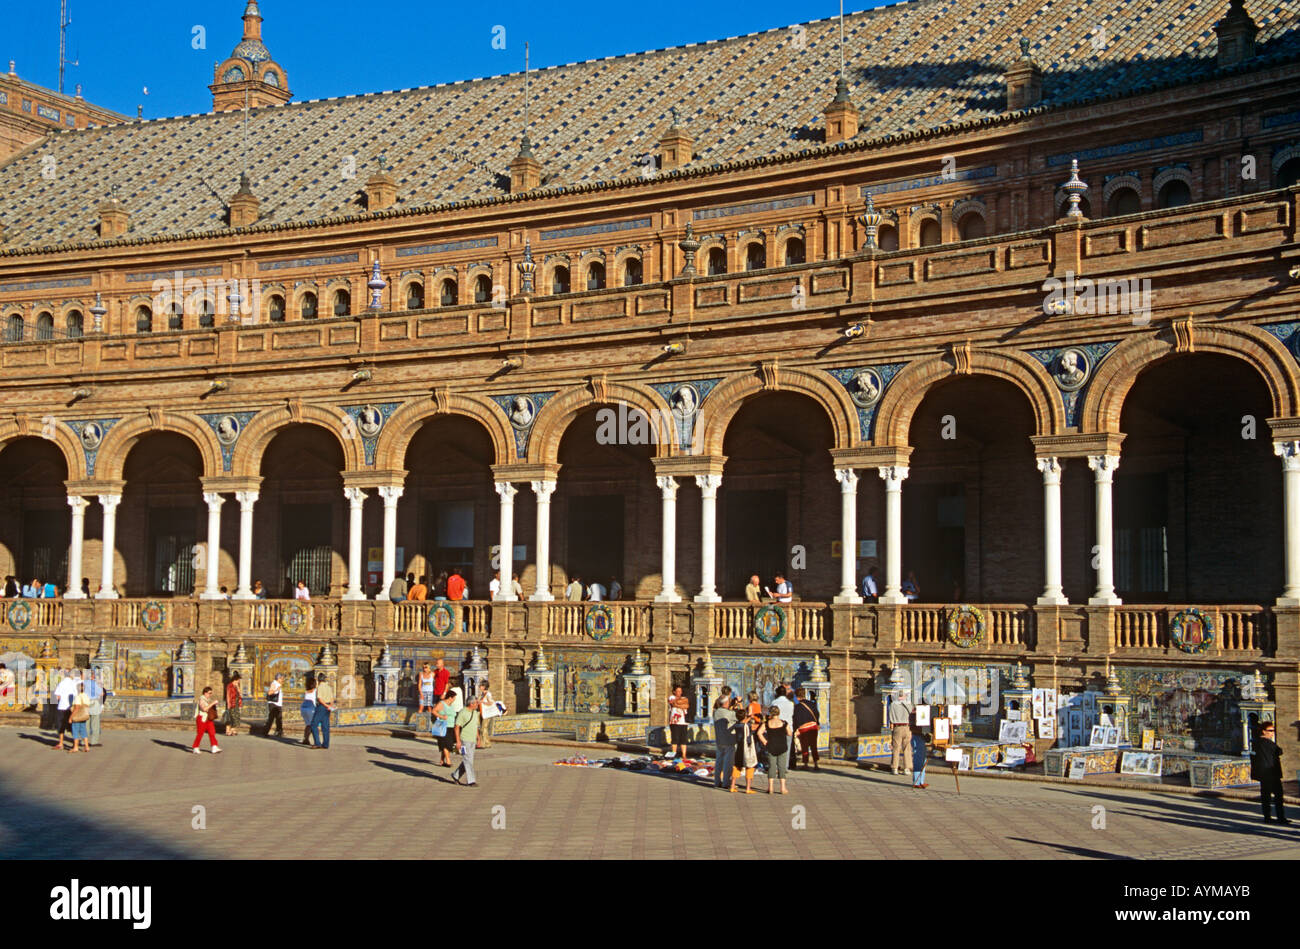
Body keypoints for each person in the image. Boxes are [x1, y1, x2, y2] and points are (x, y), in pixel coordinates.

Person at [1254, 723, 1288, 824]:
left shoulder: (1258, 742)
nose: (1272, 733)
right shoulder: (1267, 743)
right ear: (1264, 731)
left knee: (1266, 796)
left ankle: (1267, 817)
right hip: (1271, 773)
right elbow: (1279, 751)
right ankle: (1280, 817)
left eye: (1273, 730)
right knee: (1277, 796)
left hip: (1264, 774)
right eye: (1270, 731)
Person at [757, 706, 790, 794]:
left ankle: (770, 787)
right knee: (781, 767)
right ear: (779, 713)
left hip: (771, 746)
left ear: (770, 713)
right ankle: (783, 788)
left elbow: (759, 733)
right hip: (782, 746)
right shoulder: (784, 723)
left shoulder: (767, 723)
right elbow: (789, 733)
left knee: (772, 767)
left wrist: (765, 741)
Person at [451, 696, 482, 787]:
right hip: (465, 740)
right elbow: (457, 727)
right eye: (476, 703)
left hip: (472, 740)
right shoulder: (462, 713)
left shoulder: (475, 713)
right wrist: (458, 741)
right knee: (468, 760)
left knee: (468, 760)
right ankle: (471, 781)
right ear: (471, 704)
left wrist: (478, 738)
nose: (477, 704)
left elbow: (475, 726)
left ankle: (456, 775)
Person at [730, 703, 759, 794]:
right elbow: (751, 728)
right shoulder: (747, 726)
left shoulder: (736, 725)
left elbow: (742, 722)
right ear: (745, 717)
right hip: (747, 748)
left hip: (738, 747)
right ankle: (748, 788)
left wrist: (748, 717)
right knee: (749, 766)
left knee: (737, 766)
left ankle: (732, 786)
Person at [792, 687, 821, 770]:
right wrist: (817, 723)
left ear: (797, 696)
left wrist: (795, 729)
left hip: (804, 728)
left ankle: (806, 764)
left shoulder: (797, 707)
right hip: (813, 726)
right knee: (813, 745)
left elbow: (796, 719)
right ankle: (816, 764)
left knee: (804, 746)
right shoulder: (811, 704)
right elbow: (817, 714)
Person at [713, 693, 737, 790]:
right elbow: (740, 716)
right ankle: (726, 782)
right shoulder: (729, 714)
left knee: (719, 761)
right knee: (728, 762)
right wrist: (738, 704)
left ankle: (717, 781)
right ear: (727, 702)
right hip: (729, 740)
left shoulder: (716, 712)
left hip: (719, 740)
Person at [888, 689, 914, 775]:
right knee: (907, 748)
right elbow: (912, 713)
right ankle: (907, 768)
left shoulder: (892, 705)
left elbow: (890, 717)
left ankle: (894, 767)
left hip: (897, 727)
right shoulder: (908, 705)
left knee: (896, 748)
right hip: (907, 727)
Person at [52, 669, 77, 750]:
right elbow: (76, 695)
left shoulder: (61, 683)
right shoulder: (74, 683)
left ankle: (61, 743)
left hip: (62, 706)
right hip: (71, 707)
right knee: (73, 726)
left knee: (61, 726)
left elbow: (57, 696)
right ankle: (75, 744)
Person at [772, 685, 796, 771]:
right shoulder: (790, 703)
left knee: (776, 747)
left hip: (776, 727)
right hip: (788, 727)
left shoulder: (774, 702)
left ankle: (776, 766)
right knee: (787, 748)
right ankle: (784, 767)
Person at [192, 686, 222, 753]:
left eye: (211, 693)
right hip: (202, 718)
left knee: (212, 732)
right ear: (205, 693)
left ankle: (214, 746)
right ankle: (195, 747)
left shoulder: (208, 700)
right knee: (200, 733)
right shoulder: (201, 699)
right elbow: (204, 709)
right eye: (209, 693)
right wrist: (212, 703)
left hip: (208, 718)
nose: (210, 695)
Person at [431, 691, 456, 767]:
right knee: (446, 744)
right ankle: (448, 761)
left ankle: (442, 760)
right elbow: (433, 711)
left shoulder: (451, 705)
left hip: (451, 726)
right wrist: (441, 717)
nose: (454, 699)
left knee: (448, 743)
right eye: (454, 698)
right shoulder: (442, 703)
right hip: (444, 726)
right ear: (450, 697)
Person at [312, 672, 335, 749]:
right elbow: (332, 698)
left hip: (322, 706)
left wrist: (325, 705)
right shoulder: (329, 687)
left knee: (314, 724)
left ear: (318, 680)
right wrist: (330, 706)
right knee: (325, 726)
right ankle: (325, 744)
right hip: (328, 707)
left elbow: (319, 699)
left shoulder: (320, 687)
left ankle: (317, 743)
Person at [67, 681, 91, 754]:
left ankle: (75, 747)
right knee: (83, 730)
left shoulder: (78, 697)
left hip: (77, 716)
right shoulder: (86, 696)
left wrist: (70, 717)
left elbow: (76, 708)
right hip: (83, 716)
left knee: (75, 732)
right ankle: (86, 746)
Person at [84, 669, 106, 747]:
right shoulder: (95, 683)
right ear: (93, 676)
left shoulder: (84, 683)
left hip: (85, 703)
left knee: (86, 723)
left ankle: (83, 741)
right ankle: (94, 741)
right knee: (95, 723)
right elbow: (102, 693)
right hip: (94, 703)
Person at [667, 686, 690, 760]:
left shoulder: (684, 698)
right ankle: (673, 753)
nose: (679, 693)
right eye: (677, 691)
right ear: (674, 692)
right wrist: (680, 704)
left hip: (683, 722)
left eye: (680, 691)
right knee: (675, 738)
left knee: (683, 739)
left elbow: (686, 704)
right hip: (674, 722)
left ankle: (684, 755)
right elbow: (674, 703)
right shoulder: (671, 697)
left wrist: (678, 704)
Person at [264, 673, 285, 738]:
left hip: (277, 704)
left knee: (278, 719)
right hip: (274, 704)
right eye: (281, 678)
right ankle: (266, 732)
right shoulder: (274, 683)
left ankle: (279, 732)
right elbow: (270, 693)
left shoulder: (277, 684)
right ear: (278, 678)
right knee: (272, 718)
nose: (282, 680)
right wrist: (277, 690)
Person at [477, 681, 496, 748]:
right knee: (481, 728)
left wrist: (483, 702)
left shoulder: (488, 694)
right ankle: (484, 743)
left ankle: (486, 743)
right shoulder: (482, 694)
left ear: (484, 687)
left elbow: (491, 703)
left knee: (483, 728)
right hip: (482, 713)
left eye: (481, 686)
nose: (480, 687)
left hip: (487, 714)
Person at [300, 676, 317, 746]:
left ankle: (306, 739)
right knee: (313, 725)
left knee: (308, 725)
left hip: (303, 708)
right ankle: (317, 741)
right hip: (311, 709)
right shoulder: (315, 691)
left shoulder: (306, 691)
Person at [911, 724, 929, 789]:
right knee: (918, 759)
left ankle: (921, 781)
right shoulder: (913, 716)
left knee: (923, 759)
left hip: (921, 735)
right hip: (917, 735)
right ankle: (916, 781)